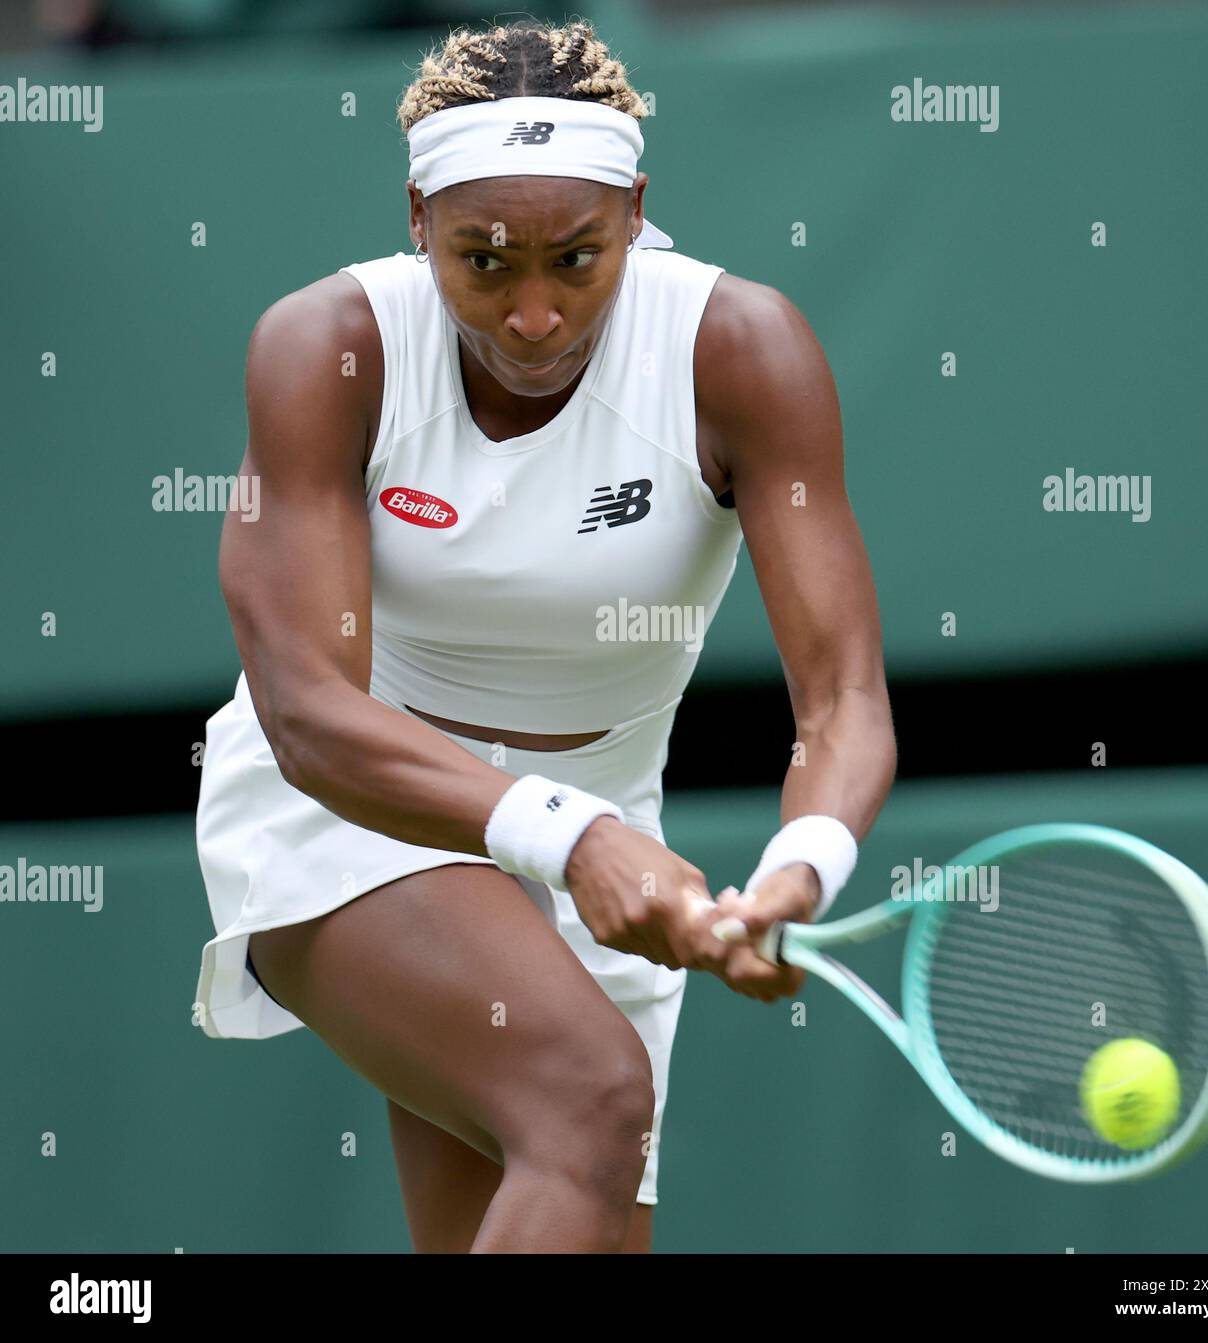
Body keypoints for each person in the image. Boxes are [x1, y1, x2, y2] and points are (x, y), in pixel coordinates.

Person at [192, 17, 896, 1253]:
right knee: (591, 1099)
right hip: (351, 807)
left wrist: (801, 872)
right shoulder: (329, 348)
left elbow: (840, 700)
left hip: (604, 817)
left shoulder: (740, 349)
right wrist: (573, 837)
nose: (531, 315)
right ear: (417, 219)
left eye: (575, 259)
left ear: (637, 208)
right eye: (483, 261)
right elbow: (306, 707)